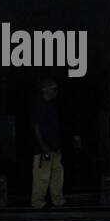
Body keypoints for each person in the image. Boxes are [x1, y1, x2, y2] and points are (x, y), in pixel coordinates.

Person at [30, 76, 66, 210]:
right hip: (43, 149)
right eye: (54, 89)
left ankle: (58, 200)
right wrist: (43, 146)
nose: (56, 92)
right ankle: (38, 202)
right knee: (42, 177)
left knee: (57, 175)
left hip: (55, 147)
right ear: (48, 90)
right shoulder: (39, 106)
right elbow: (36, 127)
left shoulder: (51, 106)